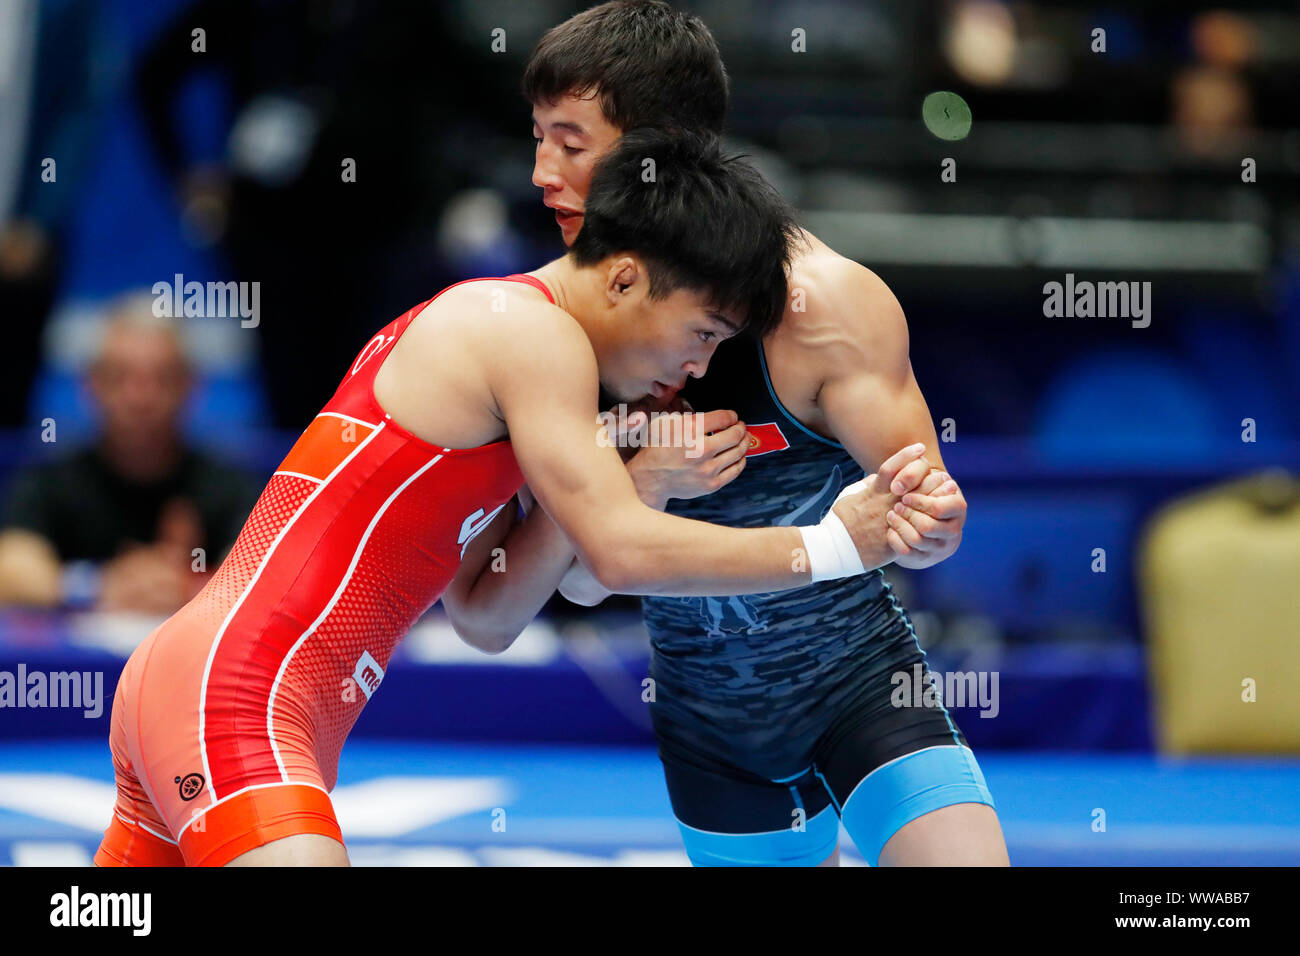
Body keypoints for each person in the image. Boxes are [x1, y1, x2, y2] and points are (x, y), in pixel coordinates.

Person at [94, 128, 919, 867]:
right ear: (627, 279)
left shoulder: (522, 359)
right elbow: (621, 553)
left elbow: (486, 616)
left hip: (210, 687)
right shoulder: (532, 337)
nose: (699, 369)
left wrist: (633, 484)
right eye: (702, 333)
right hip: (237, 697)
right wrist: (837, 544)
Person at [476, 0, 1009, 866]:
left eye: (570, 144)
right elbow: (542, 596)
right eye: (537, 137)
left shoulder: (825, 307)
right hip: (710, 731)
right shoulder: (554, 327)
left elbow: (922, 525)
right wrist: (637, 486)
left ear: (658, 150)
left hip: (863, 688)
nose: (541, 173)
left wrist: (928, 524)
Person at [0, 295, 258, 614]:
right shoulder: (48, 483)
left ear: (191, 386)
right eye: (119, 377)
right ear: (90, 385)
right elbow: (9, 571)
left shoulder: (231, 489)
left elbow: (263, 579)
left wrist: (184, 585)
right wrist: (95, 586)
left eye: (160, 379)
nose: (139, 398)